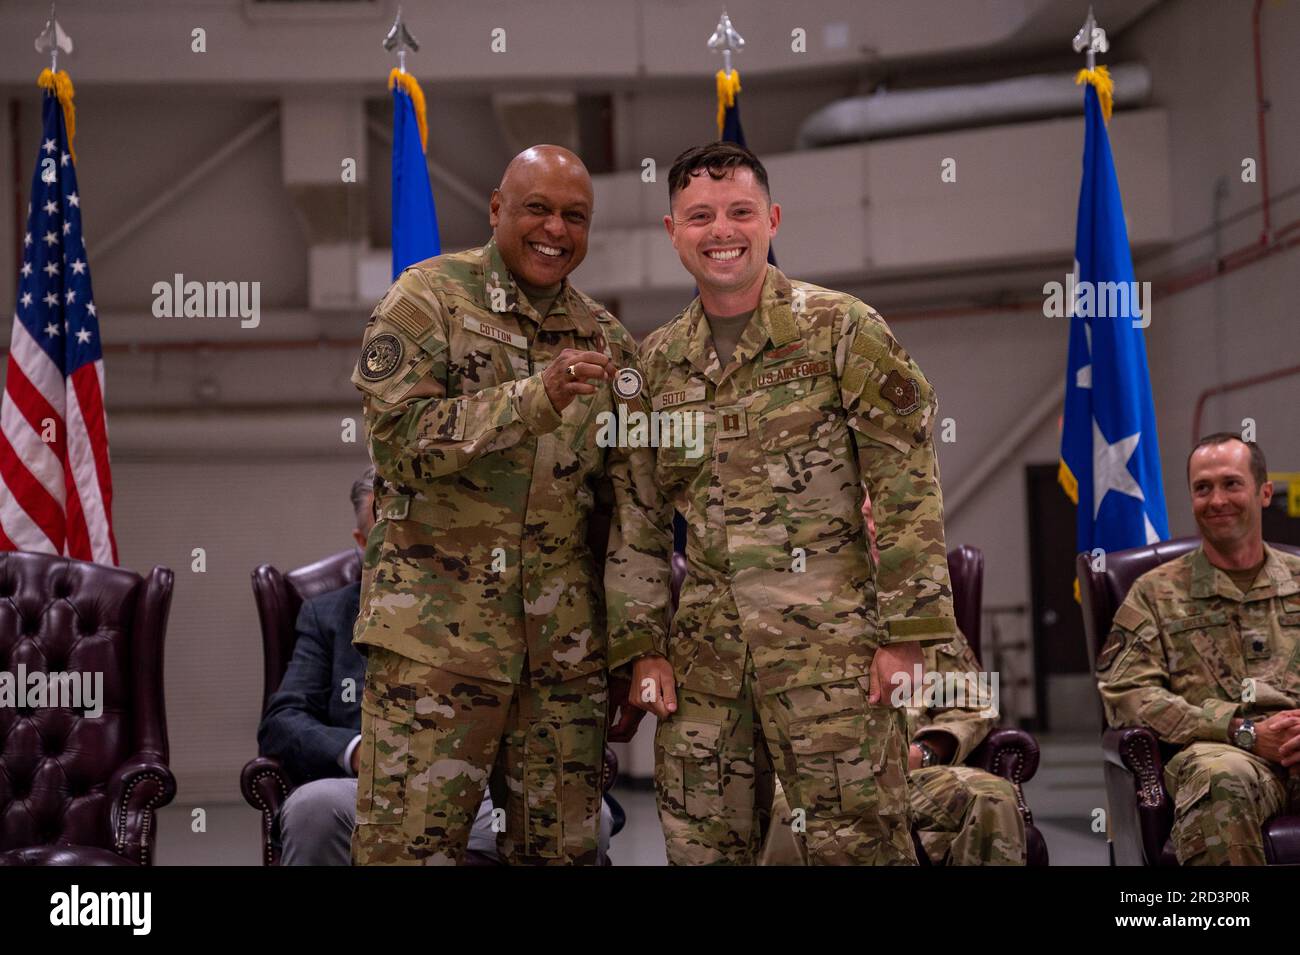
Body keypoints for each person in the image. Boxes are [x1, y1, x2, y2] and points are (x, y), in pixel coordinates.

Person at [608, 141, 957, 865]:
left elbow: (905, 487)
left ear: (771, 219)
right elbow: (637, 520)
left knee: (856, 846)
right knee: (703, 849)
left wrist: (909, 636)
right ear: (673, 233)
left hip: (835, 654)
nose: (721, 230)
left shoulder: (842, 330)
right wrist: (643, 648)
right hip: (707, 664)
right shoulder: (655, 367)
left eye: (738, 211)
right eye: (699, 215)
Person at [349, 145, 643, 865]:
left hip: (562, 668)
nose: (556, 229)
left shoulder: (609, 341)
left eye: (575, 215)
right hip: (435, 652)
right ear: (496, 209)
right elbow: (398, 442)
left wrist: (632, 650)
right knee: (406, 855)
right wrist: (531, 399)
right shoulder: (427, 299)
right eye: (537, 208)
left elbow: (629, 513)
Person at [761, 495, 1025, 865]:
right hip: (809, 780)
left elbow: (973, 703)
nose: (871, 528)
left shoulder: (920, 620)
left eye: (880, 518)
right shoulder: (787, 614)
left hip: (910, 775)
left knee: (990, 796)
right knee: (786, 811)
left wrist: (926, 752)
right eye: (861, 517)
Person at [257, 468, 503, 865]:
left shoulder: (486, 606)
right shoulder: (329, 617)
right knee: (313, 807)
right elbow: (282, 722)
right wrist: (355, 753)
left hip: (474, 789)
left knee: (580, 821)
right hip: (371, 789)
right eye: (385, 519)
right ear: (361, 541)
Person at [1097, 433, 1300, 865]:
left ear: (1264, 493)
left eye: (1231, 483)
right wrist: (1239, 730)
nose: (1216, 499)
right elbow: (1129, 696)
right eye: (1202, 488)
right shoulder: (1154, 594)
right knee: (1218, 778)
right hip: (1222, 752)